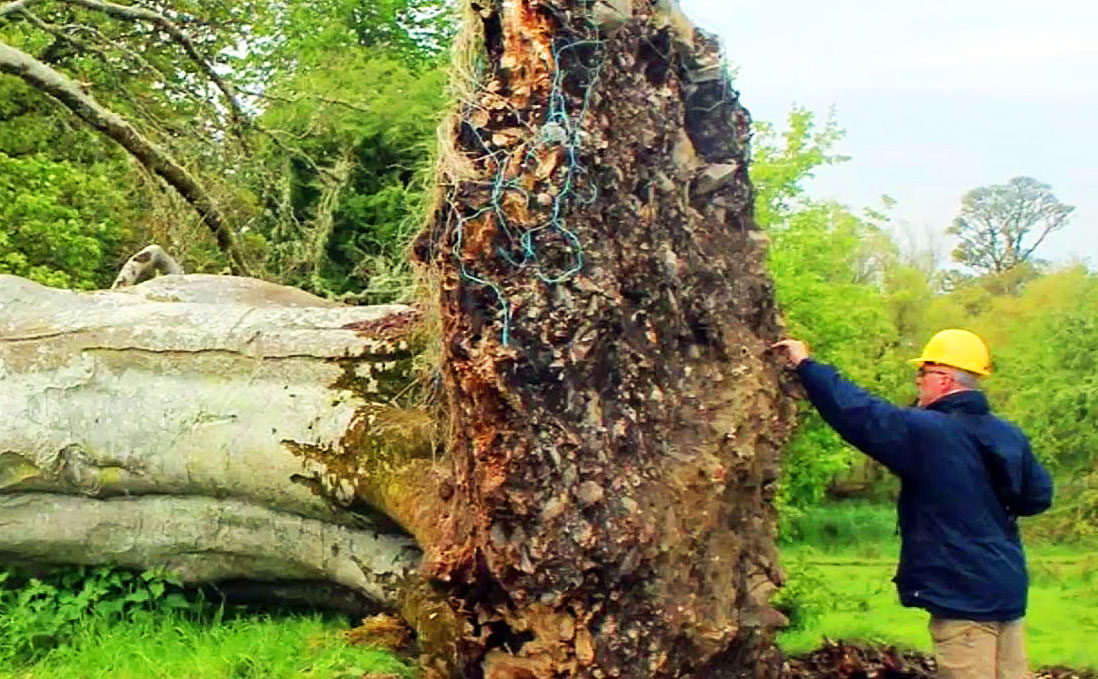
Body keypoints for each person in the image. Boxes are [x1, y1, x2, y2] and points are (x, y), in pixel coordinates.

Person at [770, 329, 1053, 679]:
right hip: (1006, 588)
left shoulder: (928, 431)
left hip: (964, 597)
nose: (918, 382)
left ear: (944, 379)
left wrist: (807, 366)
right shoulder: (1009, 434)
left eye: (922, 373)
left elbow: (860, 413)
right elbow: (1037, 498)